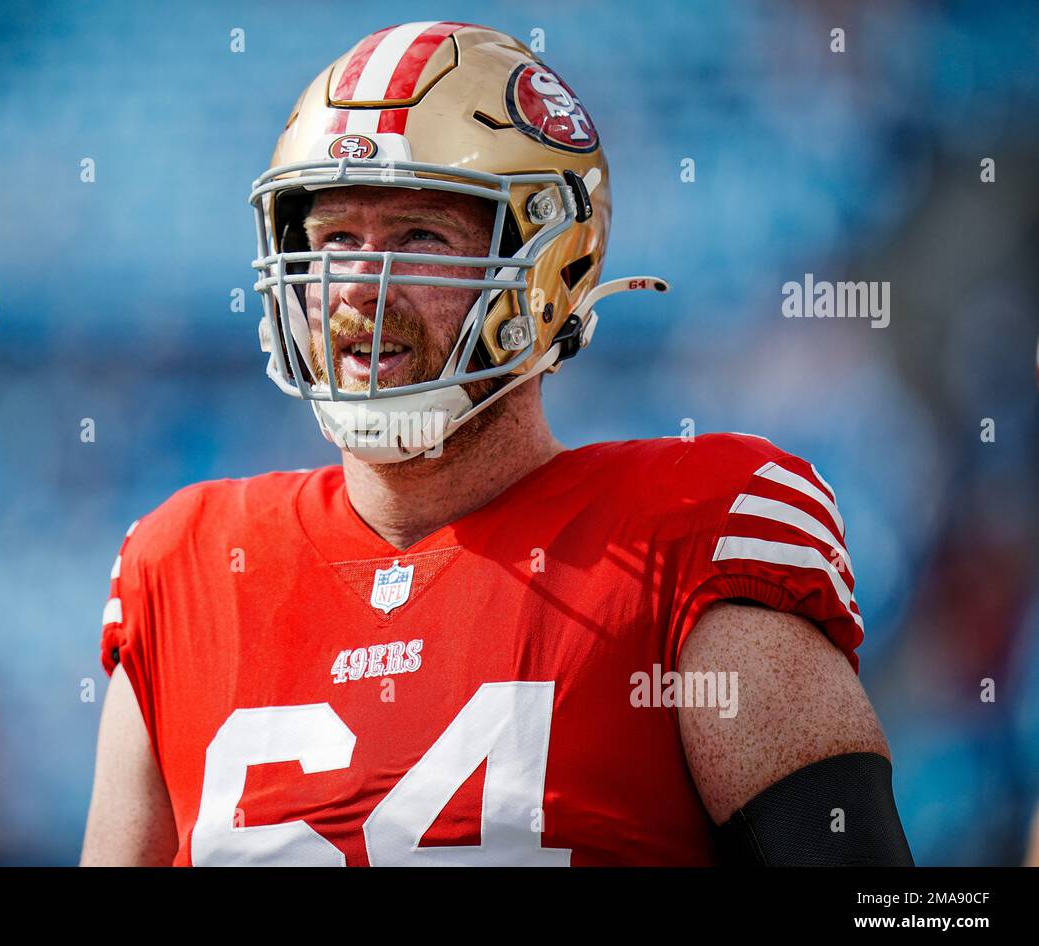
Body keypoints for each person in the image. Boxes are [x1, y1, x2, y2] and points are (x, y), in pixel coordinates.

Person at [81, 21, 913, 866]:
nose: (361, 289)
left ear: (547, 266)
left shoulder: (682, 541)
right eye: (337, 241)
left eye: (420, 239)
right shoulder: (185, 566)